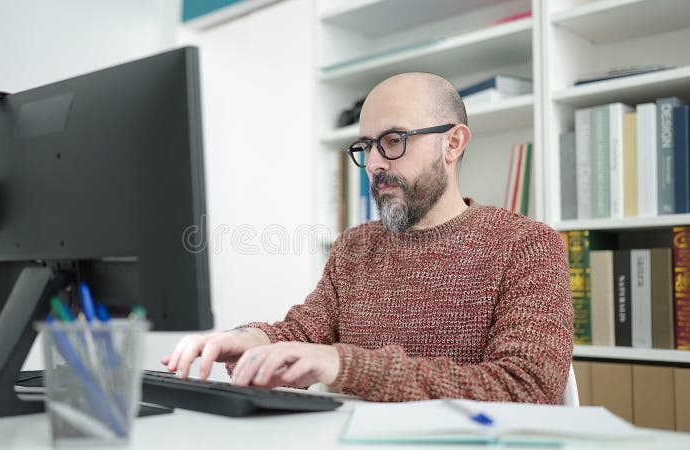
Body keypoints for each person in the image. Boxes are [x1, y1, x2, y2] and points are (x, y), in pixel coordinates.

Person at [162, 72, 573, 403]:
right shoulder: (354, 247)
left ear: (453, 143)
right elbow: (307, 332)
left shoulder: (528, 246)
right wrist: (244, 341)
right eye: (366, 146)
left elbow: (527, 388)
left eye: (394, 141)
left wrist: (344, 365)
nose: (374, 163)